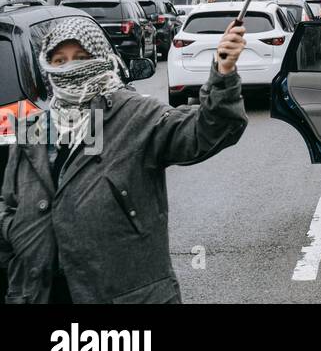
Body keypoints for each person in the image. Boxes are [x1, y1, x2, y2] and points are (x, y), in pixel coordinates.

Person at [0, 15, 248, 303]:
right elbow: (9, 202)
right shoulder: (33, 130)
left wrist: (223, 70)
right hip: (38, 294)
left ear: (102, 59)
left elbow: (207, 130)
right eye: (59, 60)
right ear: (48, 66)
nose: (71, 67)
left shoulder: (136, 116)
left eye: (81, 57)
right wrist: (15, 234)